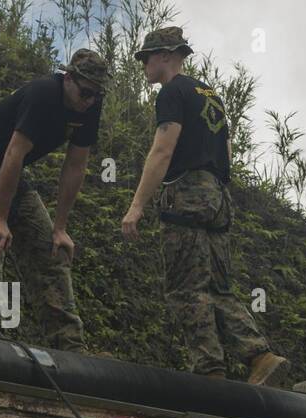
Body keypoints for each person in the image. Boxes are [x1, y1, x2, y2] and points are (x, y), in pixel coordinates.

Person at [121, 27, 289, 386]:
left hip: (186, 194)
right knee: (218, 287)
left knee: (185, 287)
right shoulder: (209, 94)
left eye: (147, 57)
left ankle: (209, 369)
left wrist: (137, 205)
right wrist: (215, 192)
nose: (144, 64)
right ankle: (259, 355)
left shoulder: (172, 92)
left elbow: (163, 149)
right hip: (218, 197)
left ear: (166, 55)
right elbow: (227, 150)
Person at [0, 49, 108, 350]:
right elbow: (14, 153)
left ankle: (70, 345)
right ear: (68, 78)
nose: (89, 101)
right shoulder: (43, 94)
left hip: (10, 171)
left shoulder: (90, 106)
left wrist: (59, 227)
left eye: (96, 95)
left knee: (50, 250)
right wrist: (0, 218)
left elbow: (75, 166)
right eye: (85, 93)